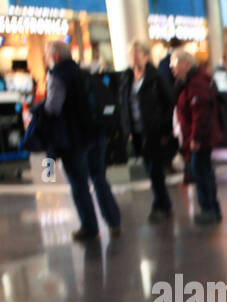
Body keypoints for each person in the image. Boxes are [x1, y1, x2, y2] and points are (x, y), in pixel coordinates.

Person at [43, 40, 121, 242]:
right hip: (96, 134)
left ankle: (89, 226)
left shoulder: (57, 75)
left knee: (79, 184)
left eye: (47, 54)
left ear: (56, 56)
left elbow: (53, 107)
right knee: (99, 178)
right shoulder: (83, 72)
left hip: (74, 140)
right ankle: (114, 220)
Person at [119, 40, 174, 224]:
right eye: (131, 55)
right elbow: (124, 103)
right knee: (150, 168)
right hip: (136, 130)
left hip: (154, 130)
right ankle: (162, 202)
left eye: (137, 54)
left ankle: (162, 204)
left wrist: (165, 128)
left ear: (146, 55)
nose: (134, 58)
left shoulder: (155, 77)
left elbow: (168, 103)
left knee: (155, 168)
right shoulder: (127, 78)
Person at [171, 51, 224, 226]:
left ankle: (208, 209)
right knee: (203, 170)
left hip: (201, 138)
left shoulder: (196, 83)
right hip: (201, 136)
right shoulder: (192, 82)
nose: (172, 67)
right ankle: (212, 208)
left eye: (175, 63)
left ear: (186, 64)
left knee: (200, 170)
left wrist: (195, 138)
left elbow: (200, 113)